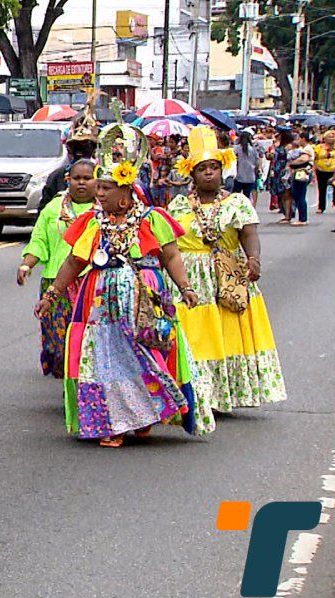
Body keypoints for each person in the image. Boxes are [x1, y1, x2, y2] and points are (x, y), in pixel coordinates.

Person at [34, 123, 202, 447]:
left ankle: (143, 414)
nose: (99, 193)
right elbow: (74, 262)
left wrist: (186, 288)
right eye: (100, 187)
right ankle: (112, 422)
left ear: (125, 196)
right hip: (100, 305)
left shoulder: (152, 220)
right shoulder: (92, 223)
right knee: (104, 359)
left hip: (143, 303)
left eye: (107, 188)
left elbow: (171, 257)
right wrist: (52, 295)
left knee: (146, 353)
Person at [167, 125, 286, 431]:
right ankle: (199, 392)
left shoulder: (237, 203)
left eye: (214, 168)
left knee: (225, 335)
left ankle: (223, 394)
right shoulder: (178, 205)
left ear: (222, 170)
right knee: (195, 338)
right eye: (202, 169)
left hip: (226, 278)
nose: (209, 174)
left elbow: (249, 233)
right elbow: (167, 243)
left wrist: (254, 259)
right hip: (189, 280)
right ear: (191, 174)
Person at [17, 159, 97, 379]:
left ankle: (83, 387)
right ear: (67, 180)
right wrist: (27, 264)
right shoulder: (54, 208)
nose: (81, 183)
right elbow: (39, 240)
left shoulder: (104, 210)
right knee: (60, 344)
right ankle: (69, 382)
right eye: (76, 178)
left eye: (87, 178)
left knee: (87, 340)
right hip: (56, 285)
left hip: (90, 283)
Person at [286, 135, 314, 226]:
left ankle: (303, 218)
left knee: (300, 194)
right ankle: (302, 217)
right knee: (296, 194)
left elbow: (303, 159)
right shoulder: (303, 149)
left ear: (303, 139)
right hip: (298, 172)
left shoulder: (307, 149)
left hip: (302, 172)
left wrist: (292, 163)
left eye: (299, 139)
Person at [313, 130, 335, 214]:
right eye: (329, 137)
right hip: (321, 170)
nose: (331, 139)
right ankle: (321, 207)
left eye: (333, 137)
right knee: (322, 189)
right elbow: (315, 158)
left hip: (333, 170)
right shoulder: (319, 147)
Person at [232, 131, 261, 200]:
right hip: (250, 176)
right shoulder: (253, 149)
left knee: (235, 196)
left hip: (238, 176)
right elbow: (257, 162)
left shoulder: (236, 149)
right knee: (247, 196)